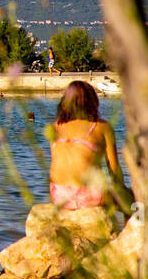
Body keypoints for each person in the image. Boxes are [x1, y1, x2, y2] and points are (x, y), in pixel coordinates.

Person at [49, 80, 131, 210]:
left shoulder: (55, 126)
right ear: (92, 102)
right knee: (134, 200)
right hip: (89, 195)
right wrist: (123, 191)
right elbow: (114, 170)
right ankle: (130, 229)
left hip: (59, 195)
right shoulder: (101, 127)